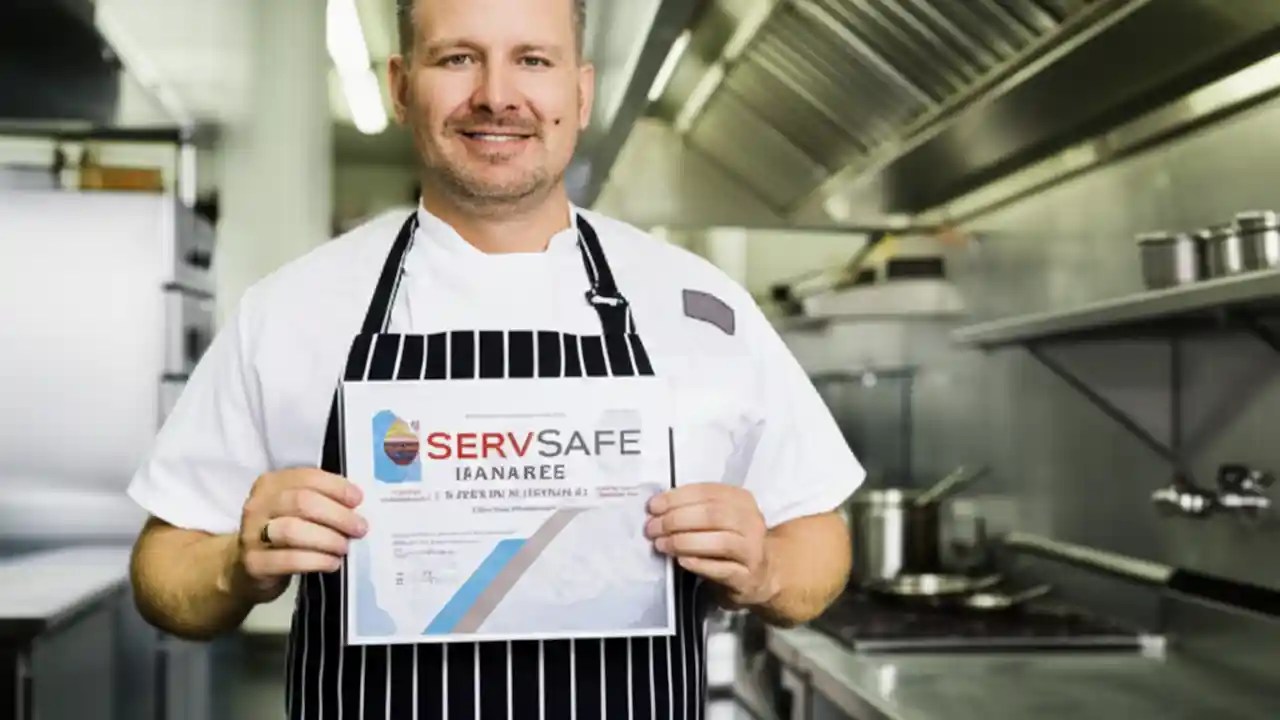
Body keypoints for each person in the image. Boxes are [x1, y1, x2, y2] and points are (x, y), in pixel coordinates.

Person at [125, 0, 864, 717]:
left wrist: (763, 567)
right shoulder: (290, 311)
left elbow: (818, 539)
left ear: (579, 91)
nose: (496, 96)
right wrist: (234, 565)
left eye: (532, 60)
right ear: (401, 85)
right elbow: (163, 571)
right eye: (458, 58)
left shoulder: (703, 309)